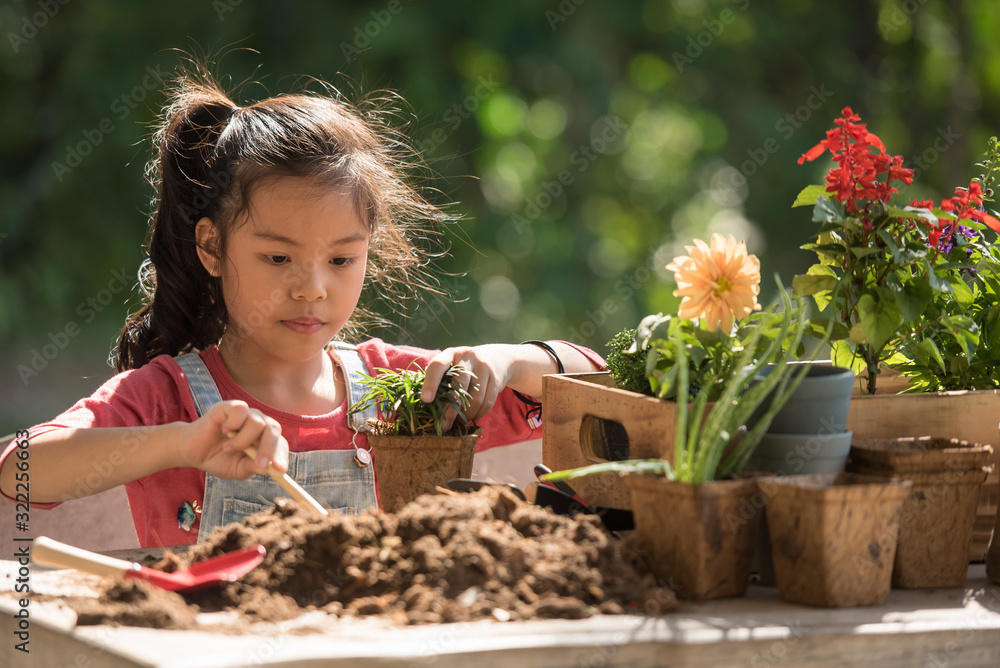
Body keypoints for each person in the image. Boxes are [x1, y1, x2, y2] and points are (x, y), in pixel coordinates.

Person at [0, 69, 604, 547]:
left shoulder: (406, 393)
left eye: (341, 261)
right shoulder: (169, 400)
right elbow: (18, 470)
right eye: (278, 259)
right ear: (212, 246)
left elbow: (599, 383)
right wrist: (181, 444)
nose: (313, 289)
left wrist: (505, 360)